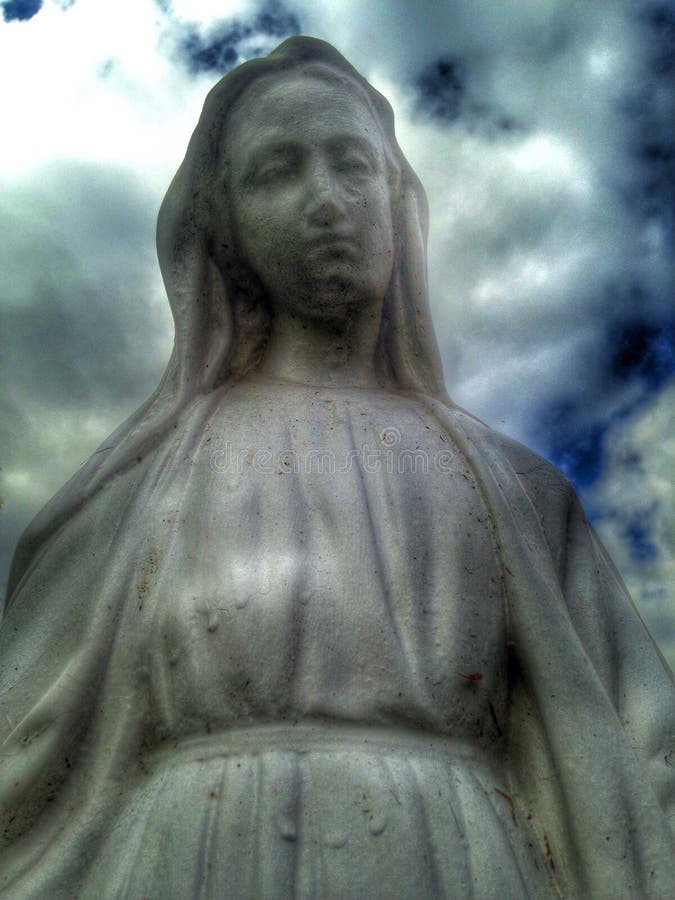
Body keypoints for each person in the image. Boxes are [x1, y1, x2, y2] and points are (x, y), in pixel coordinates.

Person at [0, 36, 672, 899]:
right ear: (225, 228)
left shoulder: (518, 493)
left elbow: (638, 752)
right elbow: (25, 749)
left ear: (395, 201)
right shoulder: (138, 487)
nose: (325, 200)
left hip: (457, 863)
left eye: (351, 164)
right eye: (277, 171)